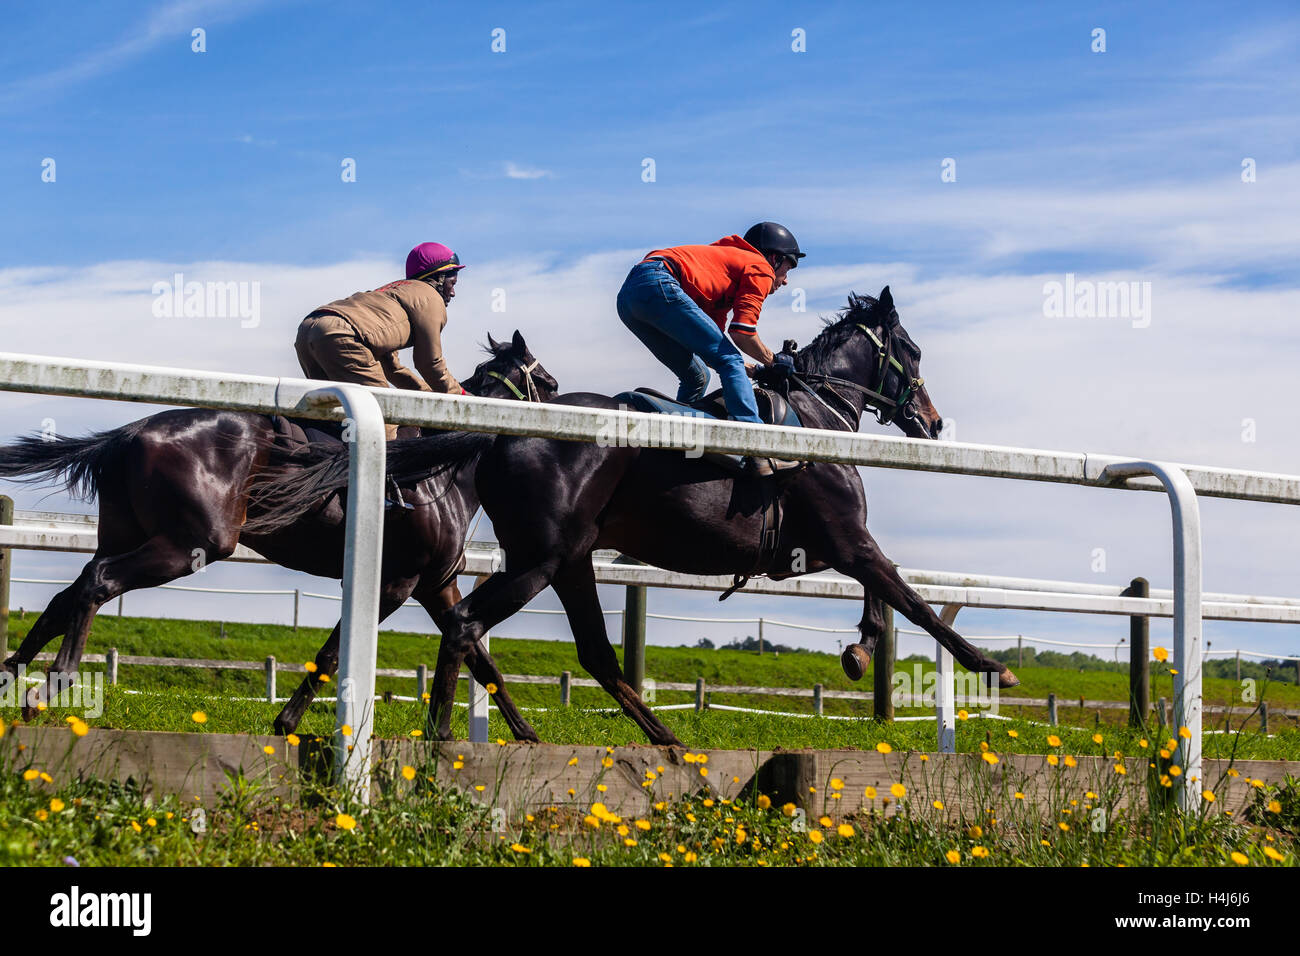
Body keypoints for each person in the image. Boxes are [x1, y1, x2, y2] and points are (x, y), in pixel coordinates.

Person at [617, 222, 804, 474]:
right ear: (774, 258)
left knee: (697, 375)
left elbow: (715, 348)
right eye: (788, 268)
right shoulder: (760, 266)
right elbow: (742, 333)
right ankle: (755, 438)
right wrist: (773, 360)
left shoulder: (725, 273)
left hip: (631, 297)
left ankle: (680, 440)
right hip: (659, 283)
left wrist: (756, 369)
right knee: (730, 361)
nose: (785, 281)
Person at [295, 242, 467, 442]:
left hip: (309, 329)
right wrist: (462, 396)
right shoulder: (431, 298)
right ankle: (384, 474)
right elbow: (429, 363)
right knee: (382, 417)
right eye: (452, 283)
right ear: (438, 277)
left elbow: (391, 367)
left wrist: (426, 394)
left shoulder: (393, 293)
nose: (453, 293)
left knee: (330, 414)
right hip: (342, 334)